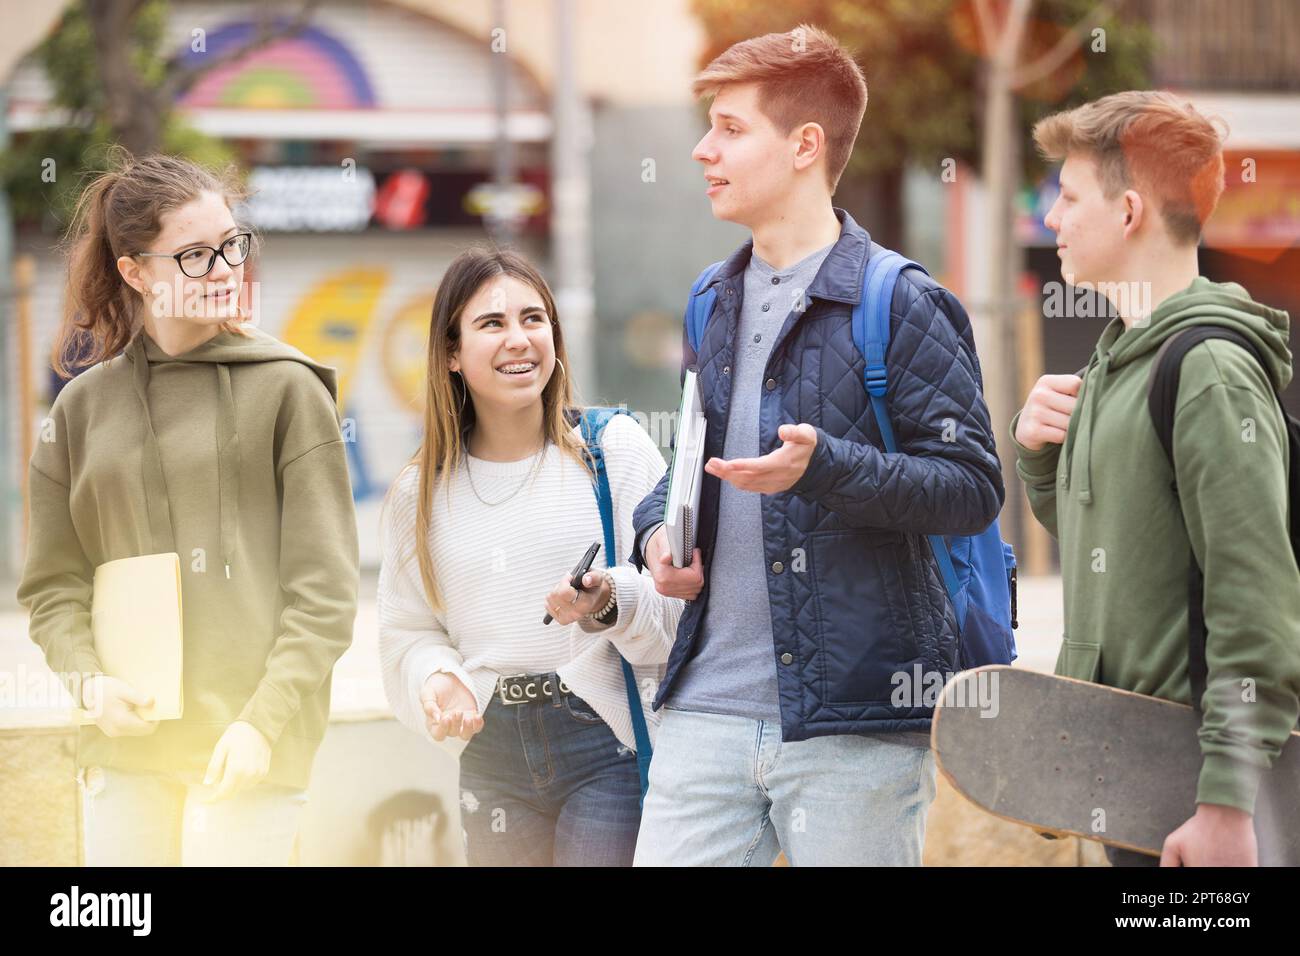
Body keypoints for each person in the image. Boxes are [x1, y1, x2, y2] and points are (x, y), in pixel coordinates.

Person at [629, 25, 1004, 866]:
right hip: (702, 712)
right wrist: (659, 535)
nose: (701, 150)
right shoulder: (710, 300)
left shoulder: (901, 302)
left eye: (730, 128)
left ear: (805, 145)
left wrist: (826, 467)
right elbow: (693, 463)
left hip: (857, 725)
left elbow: (971, 487)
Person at [16, 151, 360, 866]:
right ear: (134, 271)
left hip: (249, 749)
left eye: (232, 245)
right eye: (195, 255)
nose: (226, 270)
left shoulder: (291, 392)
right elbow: (52, 585)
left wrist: (261, 725)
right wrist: (88, 681)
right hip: (125, 746)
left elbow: (324, 595)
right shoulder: (80, 409)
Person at [1012, 90, 1300, 867]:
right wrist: (1042, 456)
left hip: (1197, 794)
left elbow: (1256, 601)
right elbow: (1118, 547)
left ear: (1130, 210)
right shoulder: (1115, 362)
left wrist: (1226, 805)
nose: (1052, 220)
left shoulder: (1206, 371)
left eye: (1067, 198)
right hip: (1130, 777)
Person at [377, 247, 682, 866]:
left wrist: (609, 603)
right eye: (491, 324)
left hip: (609, 745)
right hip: (490, 755)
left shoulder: (612, 450)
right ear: (452, 354)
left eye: (533, 319)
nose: (519, 340)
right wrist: (439, 678)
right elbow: (407, 632)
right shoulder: (420, 490)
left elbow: (682, 614)